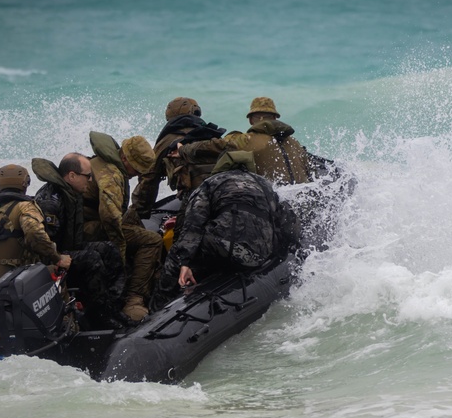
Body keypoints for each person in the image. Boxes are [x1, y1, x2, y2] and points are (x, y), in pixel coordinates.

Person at [150, 150, 300, 310]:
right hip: (259, 255)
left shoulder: (210, 183)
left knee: (177, 255)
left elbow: (193, 227)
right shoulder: (265, 185)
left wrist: (184, 262)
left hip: (224, 249)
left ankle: (156, 308)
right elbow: (287, 223)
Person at [32, 153, 129, 328]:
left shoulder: (72, 193)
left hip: (69, 248)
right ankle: (100, 317)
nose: (91, 180)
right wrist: (58, 258)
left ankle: (113, 307)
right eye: (88, 176)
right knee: (91, 259)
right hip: (53, 258)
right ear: (72, 176)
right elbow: (43, 245)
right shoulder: (50, 202)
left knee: (108, 249)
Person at [0, 164, 71, 313]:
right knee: (58, 271)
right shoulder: (25, 207)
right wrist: (58, 258)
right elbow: (35, 234)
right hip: (15, 293)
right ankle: (67, 319)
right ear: (26, 183)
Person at [82, 134, 165, 321]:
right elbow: (110, 217)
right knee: (152, 241)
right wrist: (119, 253)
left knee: (133, 217)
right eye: (135, 169)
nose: (135, 174)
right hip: (89, 229)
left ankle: (151, 275)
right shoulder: (112, 175)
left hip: (88, 223)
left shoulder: (103, 161)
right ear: (125, 159)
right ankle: (134, 300)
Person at [122, 97, 226, 227]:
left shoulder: (167, 141)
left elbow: (149, 179)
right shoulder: (212, 135)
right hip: (226, 193)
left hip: (196, 198)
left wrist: (137, 214)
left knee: (182, 235)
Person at [177, 96, 321, 186]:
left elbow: (212, 146)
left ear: (251, 120)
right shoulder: (295, 144)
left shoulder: (246, 140)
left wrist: (183, 149)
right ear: (275, 118)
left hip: (275, 205)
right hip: (302, 202)